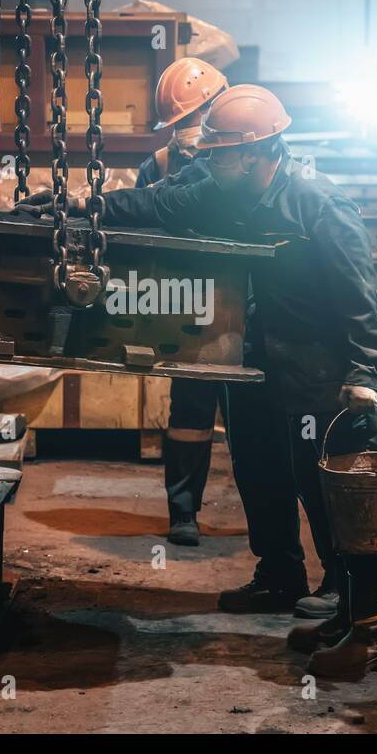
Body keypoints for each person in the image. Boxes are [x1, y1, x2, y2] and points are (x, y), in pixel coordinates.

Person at [18, 85, 377, 678]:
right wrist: (75, 209)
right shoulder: (224, 193)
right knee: (260, 474)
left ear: (255, 152)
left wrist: (362, 376)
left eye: (220, 150)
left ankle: (371, 628)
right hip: (252, 367)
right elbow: (150, 205)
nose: (209, 158)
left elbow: (359, 299)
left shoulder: (317, 204)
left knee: (338, 496)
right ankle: (286, 582)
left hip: (320, 376)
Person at [139, 57, 228, 547]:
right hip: (189, 305)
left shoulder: (245, 155)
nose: (186, 131)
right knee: (190, 414)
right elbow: (138, 228)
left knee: (251, 415)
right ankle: (183, 513)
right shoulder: (158, 166)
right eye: (178, 124)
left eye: (190, 119)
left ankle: (269, 523)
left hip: (243, 303)